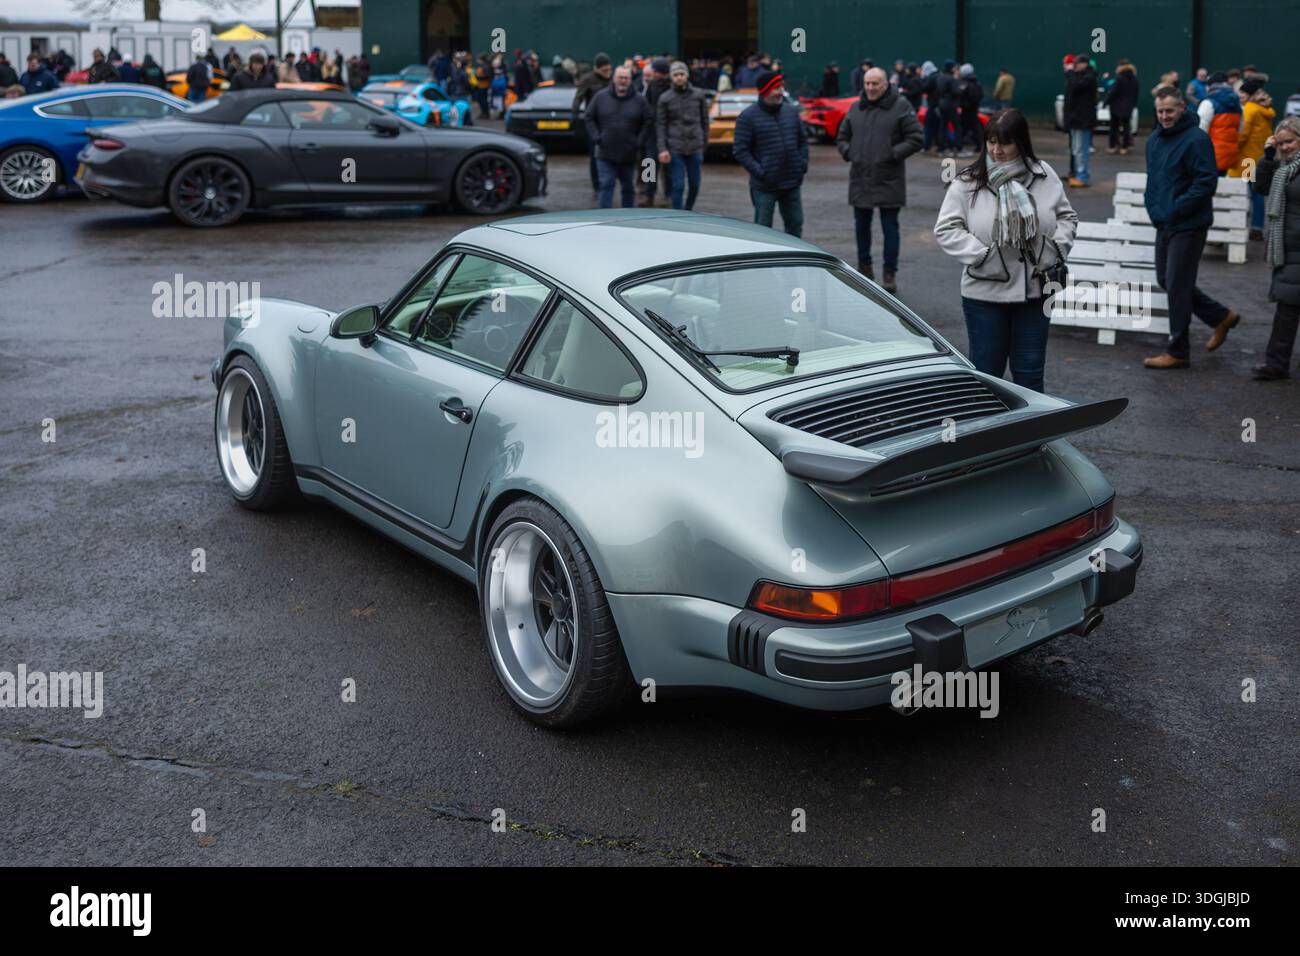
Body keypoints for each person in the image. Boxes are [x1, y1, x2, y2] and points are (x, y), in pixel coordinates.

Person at [935, 110, 1077, 392]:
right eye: (991, 142)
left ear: (1021, 143)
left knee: (1030, 376)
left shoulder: (1044, 174)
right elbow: (946, 229)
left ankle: (1033, 436)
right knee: (989, 378)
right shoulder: (967, 182)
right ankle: (989, 435)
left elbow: (1066, 217)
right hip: (985, 293)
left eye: (1005, 143)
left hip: (1036, 292)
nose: (996, 150)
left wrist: (1054, 250)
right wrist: (983, 256)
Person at [1142, 87, 1241, 369]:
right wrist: (1154, 207)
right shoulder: (1155, 139)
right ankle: (1220, 316)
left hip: (1189, 224)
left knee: (1176, 283)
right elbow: (1154, 181)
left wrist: (1176, 208)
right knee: (1168, 279)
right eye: (1160, 111)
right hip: (1165, 223)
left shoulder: (1197, 139)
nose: (1164, 116)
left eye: (1170, 110)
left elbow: (1206, 183)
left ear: (1182, 108)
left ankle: (1178, 350)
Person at [837, 66, 922, 291]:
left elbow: (916, 137)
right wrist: (849, 152)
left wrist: (892, 154)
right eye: (867, 84)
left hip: (889, 179)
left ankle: (889, 273)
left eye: (875, 83)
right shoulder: (856, 108)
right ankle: (864, 269)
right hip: (861, 178)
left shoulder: (901, 106)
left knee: (890, 228)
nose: (871, 88)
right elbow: (842, 137)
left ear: (886, 84)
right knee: (861, 227)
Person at [1251, 117, 1300, 379]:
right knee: (1287, 309)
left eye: (1290, 141)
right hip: (1287, 249)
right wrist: (1268, 156)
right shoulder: (1283, 167)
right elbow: (1260, 187)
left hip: (1294, 246)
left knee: (1288, 308)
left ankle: (1277, 363)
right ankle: (1276, 364)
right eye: (1281, 143)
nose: (1286, 147)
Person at [733, 69, 807, 236]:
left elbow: (802, 141)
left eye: (782, 87)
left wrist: (802, 164)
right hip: (764, 186)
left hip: (791, 181)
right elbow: (740, 150)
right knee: (763, 231)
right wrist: (761, 172)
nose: (781, 91)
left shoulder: (791, 112)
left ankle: (793, 260)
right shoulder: (748, 117)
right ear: (765, 91)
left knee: (795, 225)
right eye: (777, 88)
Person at [585, 65, 651, 208]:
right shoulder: (600, 97)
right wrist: (596, 137)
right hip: (605, 153)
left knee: (628, 188)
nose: (623, 81)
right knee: (606, 185)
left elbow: (648, 121)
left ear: (630, 80)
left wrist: (639, 141)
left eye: (626, 78)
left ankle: (627, 222)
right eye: (620, 77)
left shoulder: (640, 100)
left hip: (629, 154)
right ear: (614, 79)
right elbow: (589, 117)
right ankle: (604, 221)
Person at [656, 60, 709, 210]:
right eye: (676, 75)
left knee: (695, 184)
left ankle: (688, 210)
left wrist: (704, 142)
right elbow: (660, 124)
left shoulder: (698, 95)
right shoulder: (665, 98)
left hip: (695, 145)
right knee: (678, 185)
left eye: (682, 74)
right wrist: (662, 148)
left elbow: (705, 120)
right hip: (675, 146)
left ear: (687, 75)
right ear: (671, 77)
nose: (679, 77)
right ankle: (677, 215)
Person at [1232, 78, 1276, 239]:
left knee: (1241, 194)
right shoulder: (1265, 110)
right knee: (1257, 194)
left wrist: (1231, 147)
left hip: (1247, 160)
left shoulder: (1249, 109)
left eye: (1242, 92)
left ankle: (1236, 226)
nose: (1240, 95)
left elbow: (1243, 135)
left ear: (1249, 94)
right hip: (1259, 157)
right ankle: (1257, 227)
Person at [574, 52, 613, 192]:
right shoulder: (587, 79)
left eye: (609, 69)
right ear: (597, 68)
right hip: (594, 123)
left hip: (611, 122)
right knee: (595, 154)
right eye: (605, 69)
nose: (608, 72)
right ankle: (597, 185)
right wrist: (575, 116)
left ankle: (609, 181)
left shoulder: (612, 79)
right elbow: (578, 98)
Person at [1198, 71, 1243, 173]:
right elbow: (1241, 129)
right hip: (1230, 153)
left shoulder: (1208, 103)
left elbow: (1200, 132)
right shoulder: (1237, 104)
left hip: (1211, 155)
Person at [1063, 53, 1097, 186]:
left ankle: (1082, 176)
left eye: (1077, 63)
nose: (1074, 66)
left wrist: (1071, 72)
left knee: (1081, 150)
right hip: (1077, 119)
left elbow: (1077, 86)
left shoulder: (1089, 77)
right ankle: (1078, 174)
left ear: (1085, 64)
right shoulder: (1081, 76)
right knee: (1077, 150)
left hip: (1083, 120)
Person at [1104, 59, 1138, 154]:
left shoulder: (1119, 79)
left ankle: (1113, 146)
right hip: (1128, 106)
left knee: (1114, 127)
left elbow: (1113, 92)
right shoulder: (1134, 79)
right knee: (1127, 127)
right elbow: (1135, 94)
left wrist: (1106, 102)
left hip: (1116, 106)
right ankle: (1125, 147)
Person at [957, 63, 983, 156]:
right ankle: (979, 145)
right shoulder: (977, 83)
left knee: (962, 128)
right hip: (974, 109)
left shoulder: (965, 84)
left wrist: (962, 104)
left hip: (966, 110)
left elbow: (960, 94)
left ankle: (959, 145)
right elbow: (980, 95)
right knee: (975, 128)